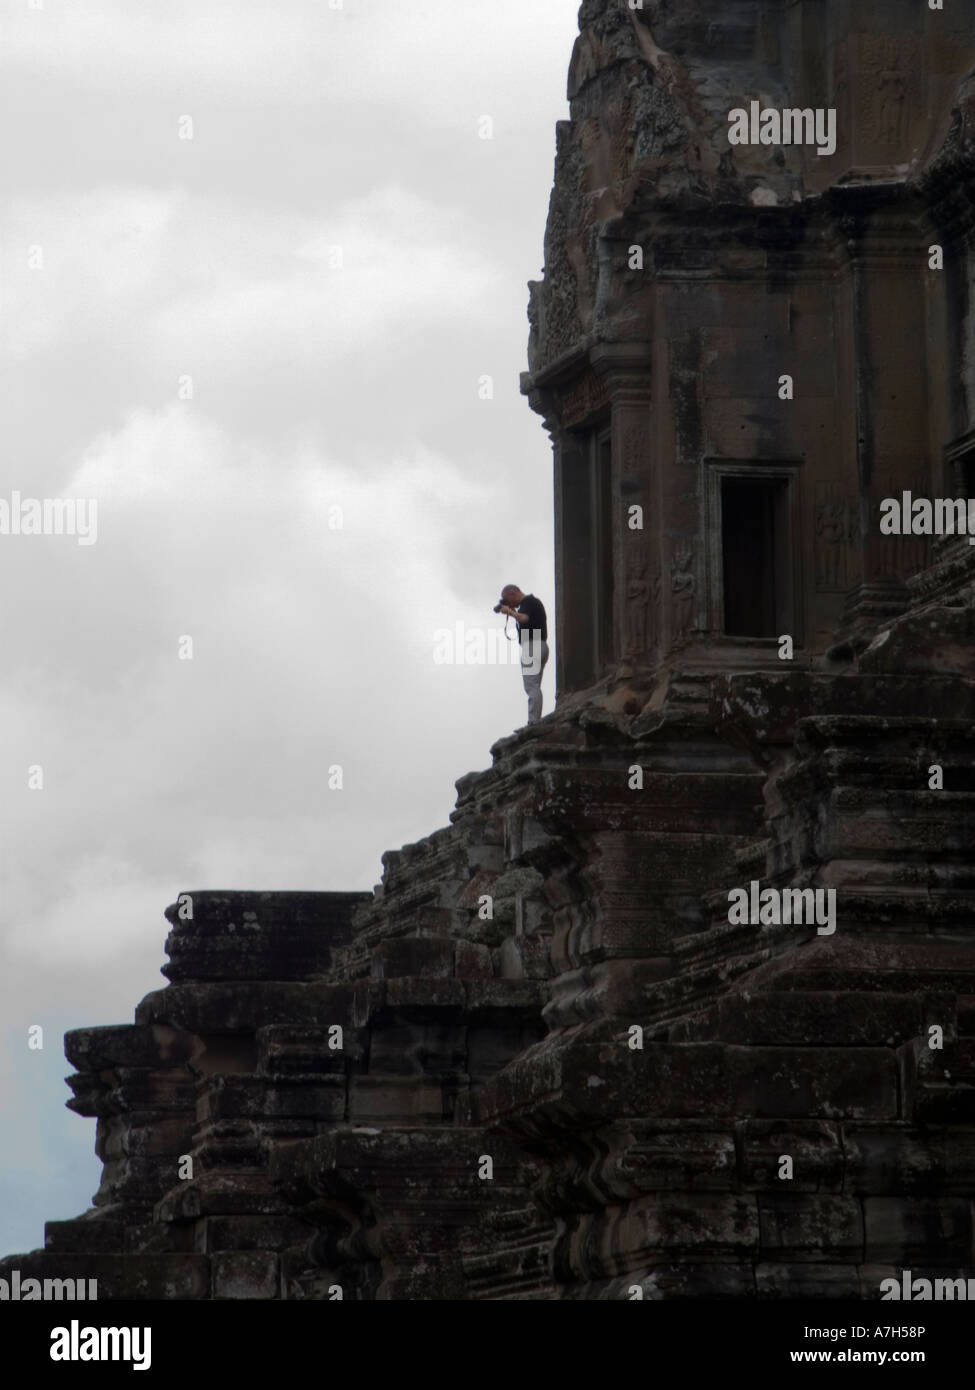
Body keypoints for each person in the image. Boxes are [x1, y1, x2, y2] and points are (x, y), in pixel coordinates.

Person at [497, 584, 549, 725]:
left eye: (508, 600)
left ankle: (533, 722)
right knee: (534, 685)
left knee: (531, 686)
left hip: (532, 646)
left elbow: (524, 619)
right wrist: (514, 613)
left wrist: (511, 612)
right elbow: (527, 621)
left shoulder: (528, 601)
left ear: (513, 593)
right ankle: (535, 719)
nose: (510, 604)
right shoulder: (531, 603)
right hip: (539, 645)